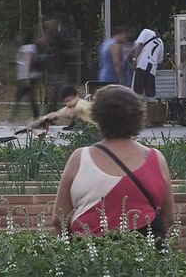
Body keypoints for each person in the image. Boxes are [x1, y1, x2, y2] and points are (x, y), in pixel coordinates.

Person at [53, 84, 177, 236]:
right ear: (137, 116)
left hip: (89, 252)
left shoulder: (79, 159)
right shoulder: (156, 159)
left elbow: (59, 219)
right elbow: (169, 220)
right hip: (146, 254)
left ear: (96, 116)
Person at [130, 26, 164, 98]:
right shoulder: (161, 43)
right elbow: (160, 61)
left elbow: (140, 45)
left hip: (142, 65)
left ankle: (138, 108)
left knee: (137, 94)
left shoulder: (146, 31)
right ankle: (150, 109)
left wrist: (135, 59)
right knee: (150, 97)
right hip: (152, 69)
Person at [13, 33, 40, 118]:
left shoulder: (25, 48)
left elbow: (25, 62)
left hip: (25, 76)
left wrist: (25, 77)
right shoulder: (30, 47)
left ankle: (12, 118)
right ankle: (35, 117)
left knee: (24, 97)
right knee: (25, 97)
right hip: (27, 76)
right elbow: (27, 61)